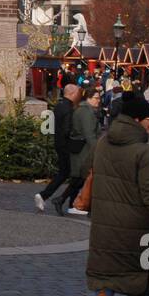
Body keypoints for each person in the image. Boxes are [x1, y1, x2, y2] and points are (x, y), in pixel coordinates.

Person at [85, 91, 149, 296]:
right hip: (137, 227)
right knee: (141, 279)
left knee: (108, 276)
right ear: (138, 120)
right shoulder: (144, 152)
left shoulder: (103, 143)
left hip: (105, 224)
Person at [33, 84, 81, 213]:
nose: (79, 95)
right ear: (72, 93)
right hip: (67, 145)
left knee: (64, 173)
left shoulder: (59, 106)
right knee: (72, 174)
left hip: (58, 143)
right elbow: (67, 129)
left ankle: (47, 195)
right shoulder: (69, 108)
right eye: (77, 93)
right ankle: (65, 201)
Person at [56, 88, 102, 217]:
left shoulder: (87, 111)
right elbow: (89, 135)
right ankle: (67, 202)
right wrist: (98, 150)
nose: (98, 101)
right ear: (88, 98)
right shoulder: (86, 112)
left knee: (80, 179)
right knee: (82, 178)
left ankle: (70, 203)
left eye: (99, 98)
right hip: (84, 150)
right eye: (96, 98)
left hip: (84, 148)